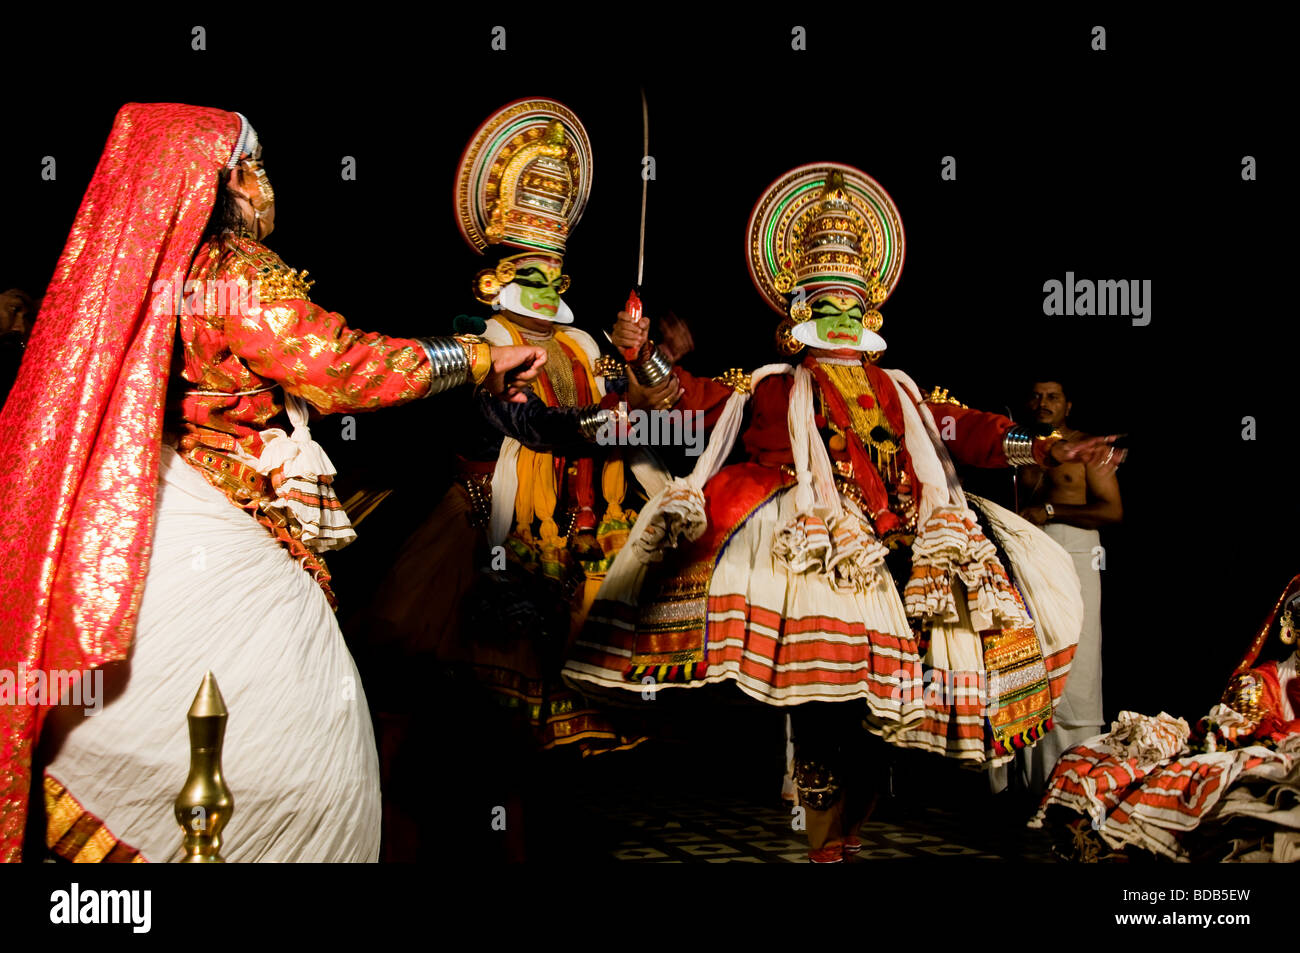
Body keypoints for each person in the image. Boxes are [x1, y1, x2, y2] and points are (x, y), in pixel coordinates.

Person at [0, 103, 545, 863]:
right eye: (256, 170)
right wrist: (479, 357)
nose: (266, 187)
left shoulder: (153, 270)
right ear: (230, 180)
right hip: (227, 527)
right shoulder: (231, 269)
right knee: (296, 739)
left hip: (169, 506)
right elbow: (342, 366)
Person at [566, 163, 1122, 862]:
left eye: (849, 304)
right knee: (823, 716)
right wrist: (640, 354)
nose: (839, 316)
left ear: (870, 310)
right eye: (824, 303)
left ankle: (846, 839)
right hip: (814, 560)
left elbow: (964, 428)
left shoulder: (901, 391)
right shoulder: (767, 388)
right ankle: (826, 849)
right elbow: (689, 398)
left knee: (881, 725)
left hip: (902, 557)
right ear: (797, 308)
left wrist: (1040, 444)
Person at [352, 98, 678, 859]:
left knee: (544, 739)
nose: (544, 277)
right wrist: (595, 426)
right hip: (479, 536)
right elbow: (516, 421)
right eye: (528, 267)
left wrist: (639, 355)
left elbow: (661, 411)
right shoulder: (480, 338)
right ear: (494, 270)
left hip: (576, 537)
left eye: (554, 265)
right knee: (451, 724)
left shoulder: (584, 342)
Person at [1015, 379, 1122, 793]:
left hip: (1077, 554)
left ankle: (1075, 784)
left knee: (1076, 656)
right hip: (1029, 556)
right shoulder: (1020, 448)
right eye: (1036, 395)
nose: (1043, 403)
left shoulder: (1089, 448)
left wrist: (1049, 509)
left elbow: (1113, 511)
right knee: (1031, 657)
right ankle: (1027, 785)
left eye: (1053, 397)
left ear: (1068, 405)